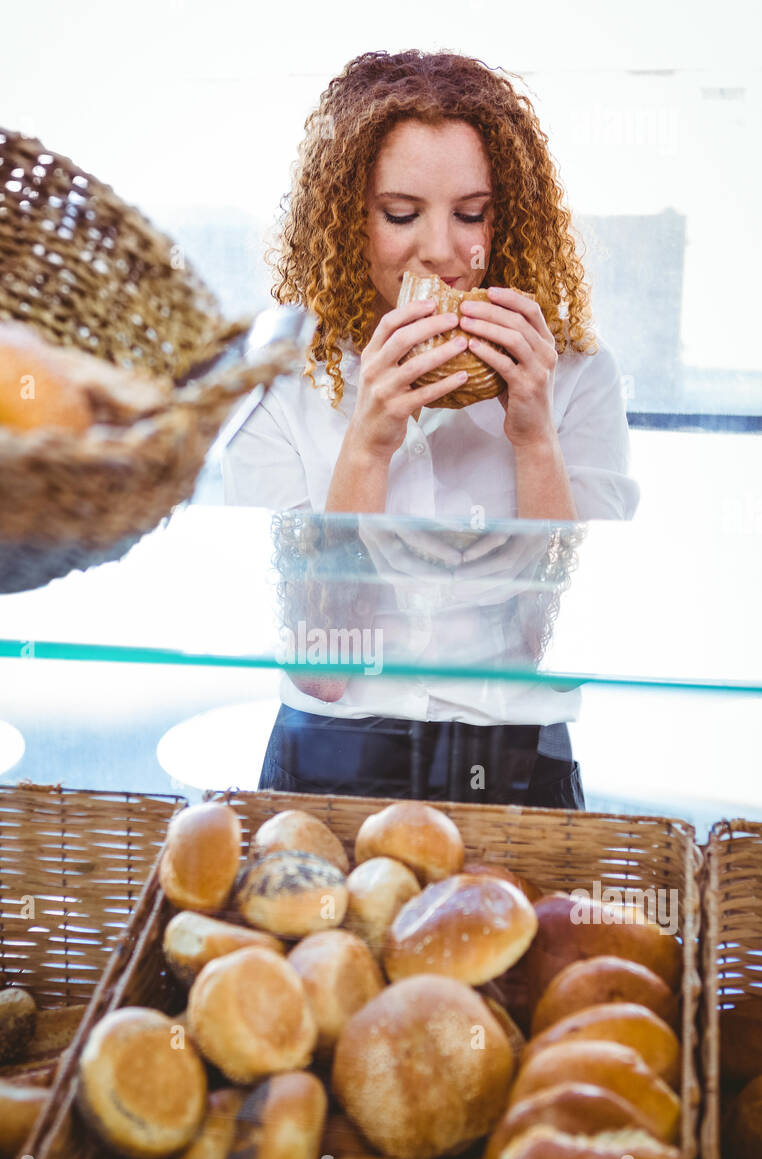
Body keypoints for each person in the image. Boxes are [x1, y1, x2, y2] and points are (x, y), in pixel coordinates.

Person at [220, 49, 639, 808]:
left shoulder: (574, 373)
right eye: (402, 214)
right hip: (331, 754)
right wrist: (369, 443)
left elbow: (558, 645)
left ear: (506, 216)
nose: (444, 251)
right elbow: (319, 664)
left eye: (471, 213)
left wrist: (534, 439)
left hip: (519, 756)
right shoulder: (281, 377)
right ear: (349, 218)